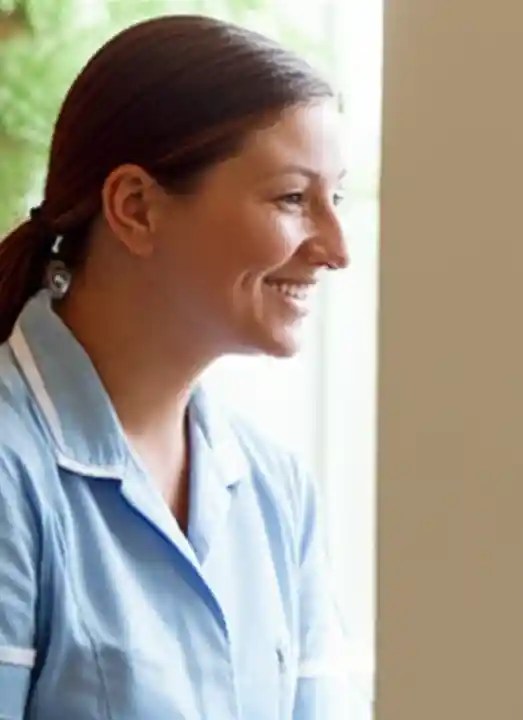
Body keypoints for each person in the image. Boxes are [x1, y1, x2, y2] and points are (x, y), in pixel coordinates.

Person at [0, 15, 350, 719]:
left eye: (335, 199)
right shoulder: (12, 471)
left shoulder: (276, 489)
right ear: (135, 208)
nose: (336, 248)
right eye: (291, 198)